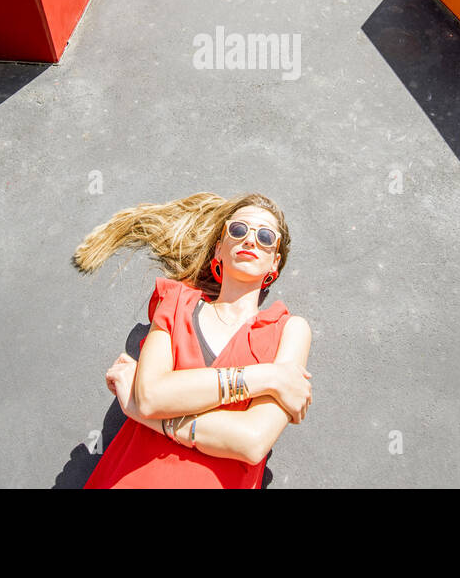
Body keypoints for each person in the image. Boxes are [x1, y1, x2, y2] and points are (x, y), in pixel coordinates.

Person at [72, 192, 312, 488]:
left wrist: (152, 417)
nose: (251, 240)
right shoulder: (176, 303)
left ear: (274, 263)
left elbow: (251, 442)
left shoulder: (288, 330)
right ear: (219, 250)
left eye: (265, 236)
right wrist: (267, 376)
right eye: (238, 230)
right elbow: (151, 396)